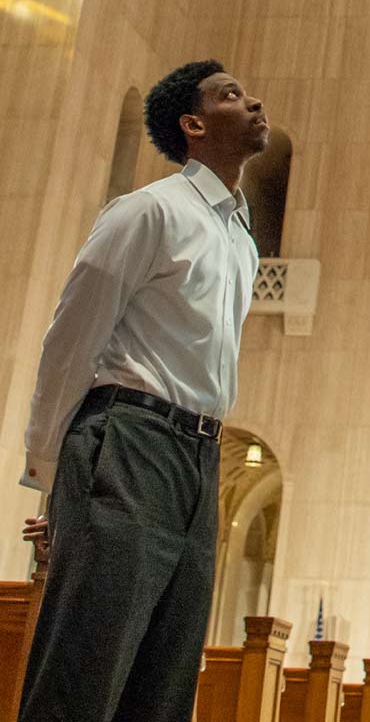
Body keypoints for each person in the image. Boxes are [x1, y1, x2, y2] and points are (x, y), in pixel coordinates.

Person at [16, 61, 272, 720]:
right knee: (87, 666)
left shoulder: (241, 241)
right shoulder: (149, 210)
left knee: (165, 679)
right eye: (231, 96)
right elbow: (71, 340)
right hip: (130, 439)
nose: (253, 103)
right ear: (193, 124)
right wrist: (53, 474)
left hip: (200, 459)